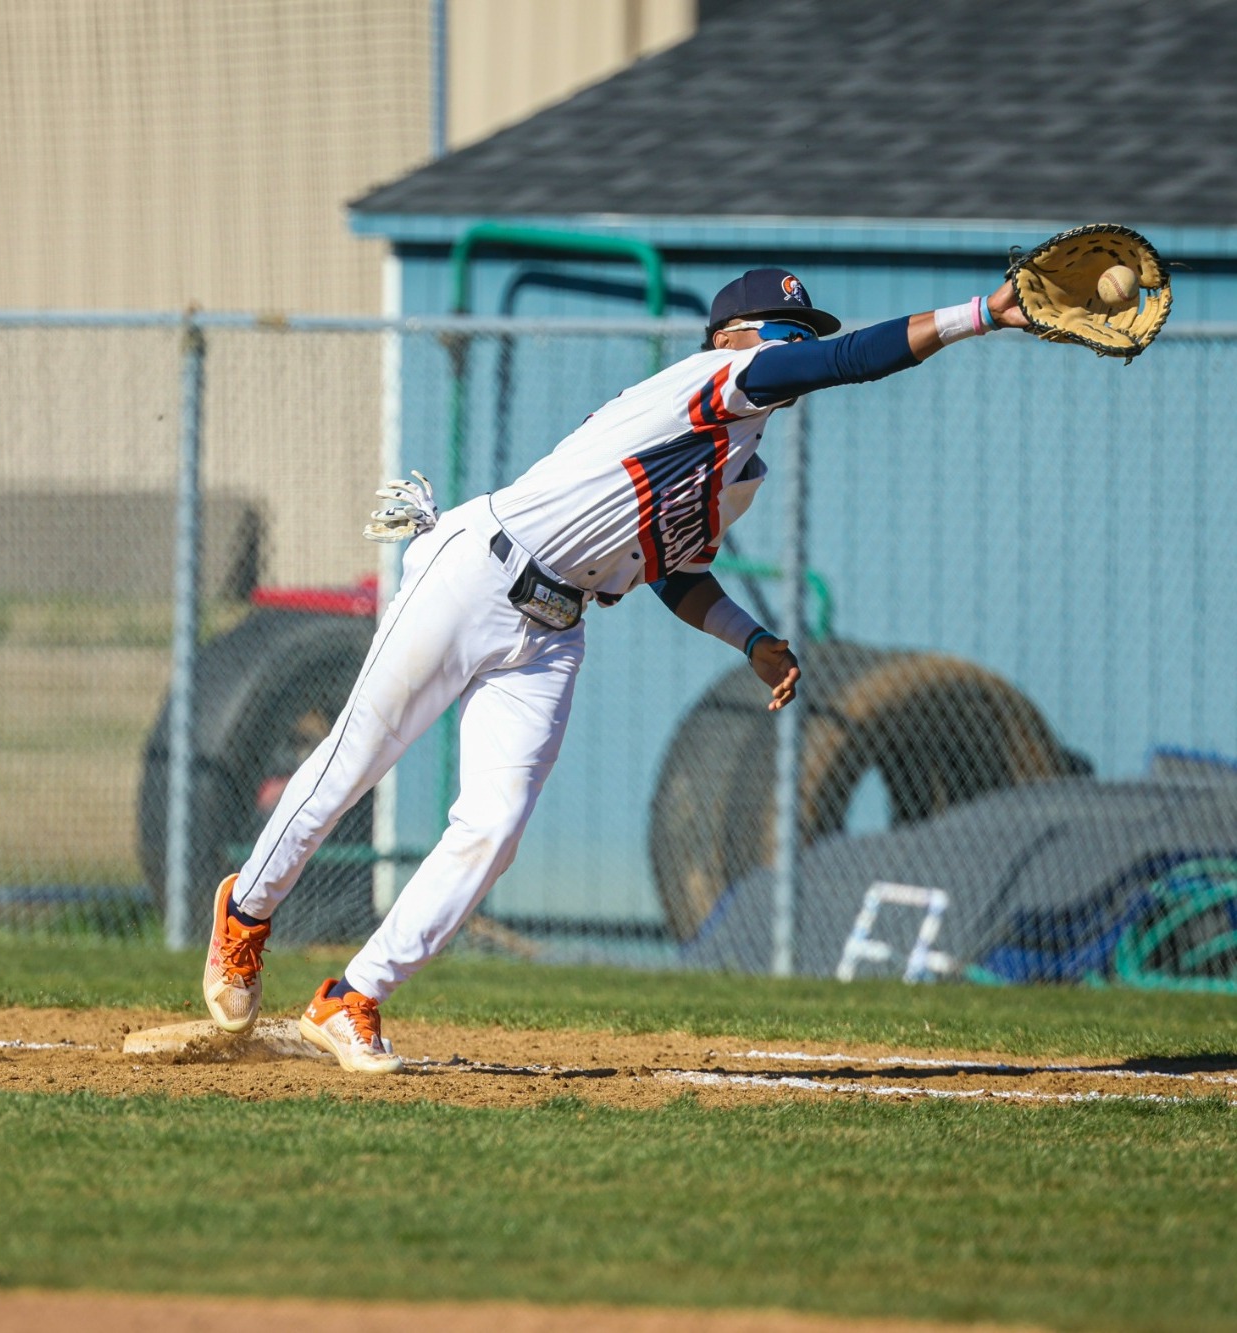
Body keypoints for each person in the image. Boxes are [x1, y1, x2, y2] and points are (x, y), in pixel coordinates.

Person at [203, 267, 1029, 1071]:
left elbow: (669, 571)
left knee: (493, 829)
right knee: (355, 760)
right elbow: (843, 360)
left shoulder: (738, 469)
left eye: (801, 331)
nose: (794, 342)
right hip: (477, 572)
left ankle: (352, 997)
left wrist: (750, 640)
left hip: (553, 631)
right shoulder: (715, 377)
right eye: (782, 330)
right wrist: (981, 314)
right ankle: (245, 913)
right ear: (731, 338)